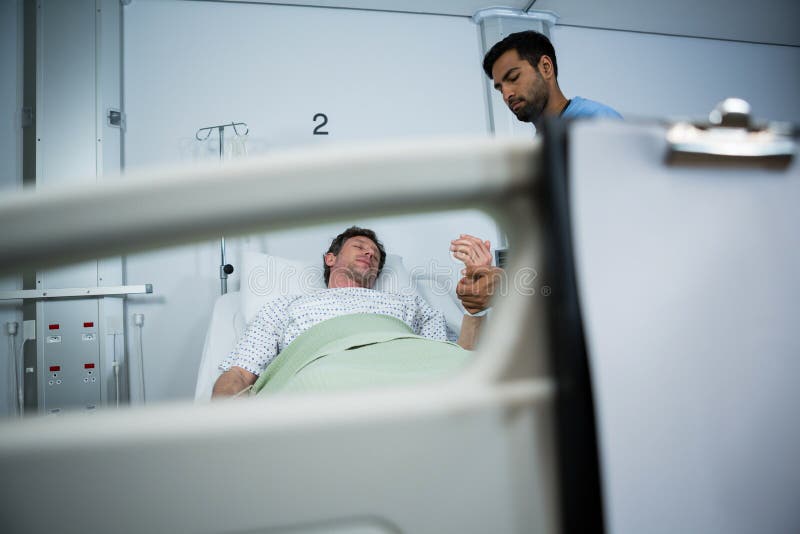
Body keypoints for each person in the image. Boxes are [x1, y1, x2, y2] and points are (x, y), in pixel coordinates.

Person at [212, 226, 487, 398]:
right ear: (330, 259)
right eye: (359, 247)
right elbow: (238, 375)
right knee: (323, 383)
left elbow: (454, 358)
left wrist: (475, 311)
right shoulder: (285, 306)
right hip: (328, 372)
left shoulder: (408, 304)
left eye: (375, 256)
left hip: (411, 369)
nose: (369, 254)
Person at [483, 30, 621, 129]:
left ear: (546, 67)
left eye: (513, 78)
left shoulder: (597, 121)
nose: (507, 95)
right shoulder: (541, 144)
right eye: (500, 89)